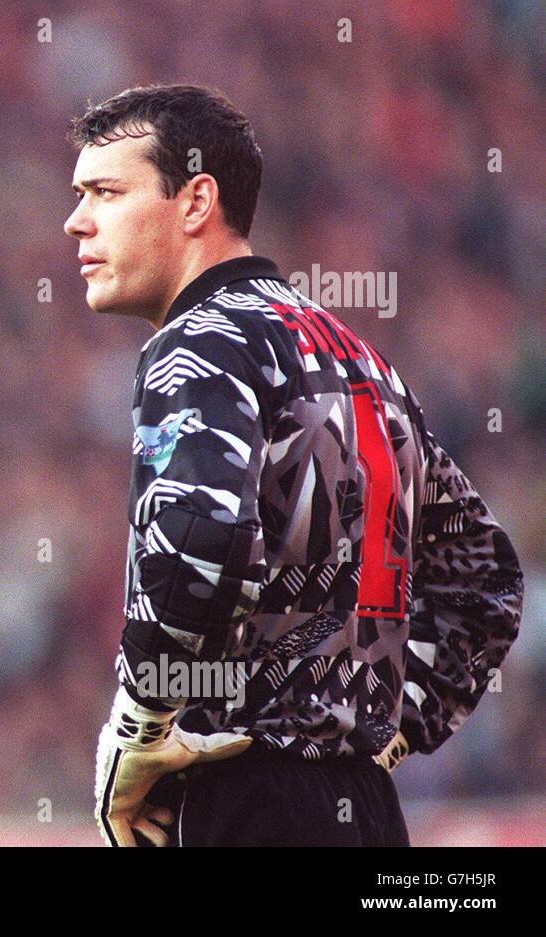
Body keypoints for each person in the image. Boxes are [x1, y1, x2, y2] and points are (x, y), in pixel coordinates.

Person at [63, 84, 524, 847]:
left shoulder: (202, 340)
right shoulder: (365, 365)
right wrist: (375, 736)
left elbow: (196, 548)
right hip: (370, 814)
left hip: (244, 803)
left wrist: (139, 726)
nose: (77, 220)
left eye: (106, 192)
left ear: (195, 201)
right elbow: (488, 587)